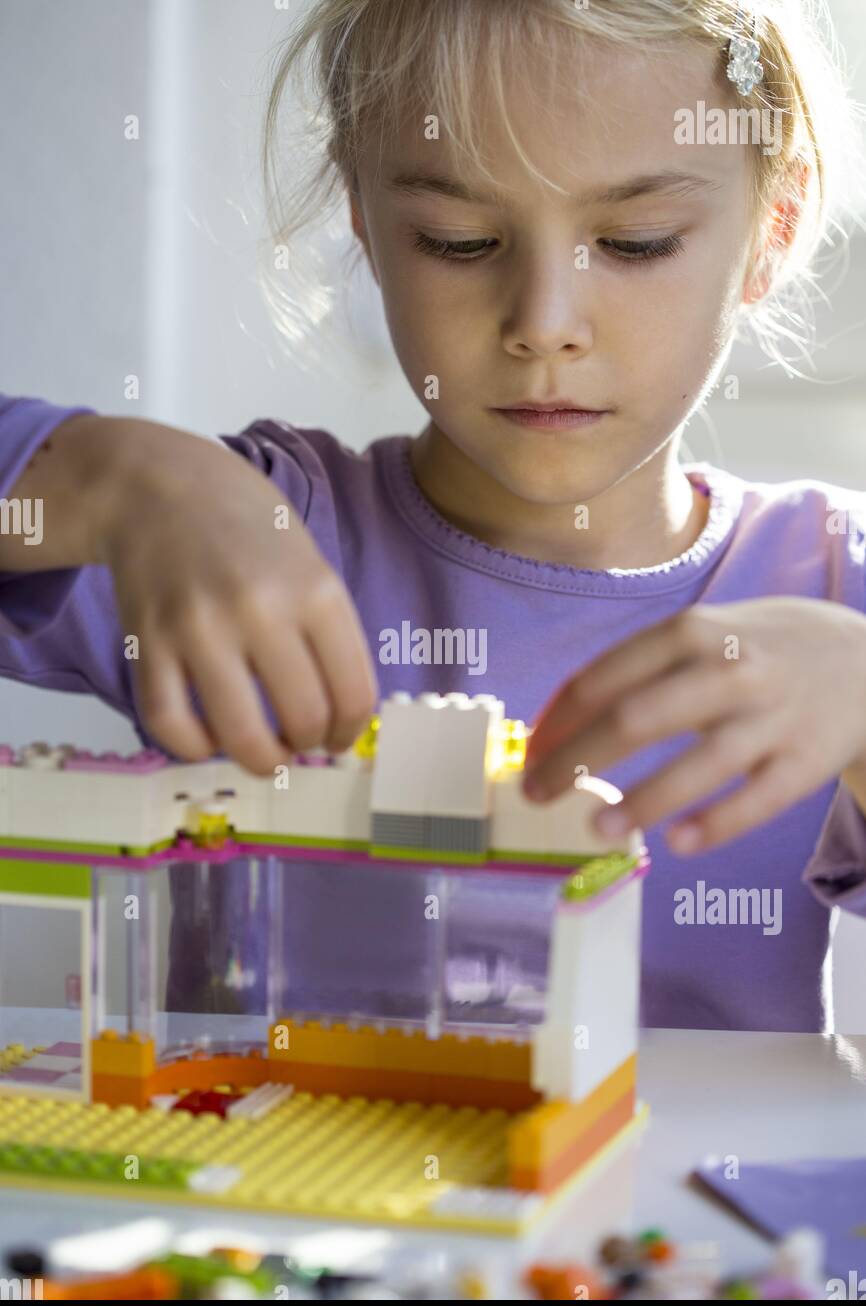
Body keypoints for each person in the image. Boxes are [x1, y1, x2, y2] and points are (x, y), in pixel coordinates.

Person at [2, 0, 865, 1030]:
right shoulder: (247, 535)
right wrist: (110, 478)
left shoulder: (831, 585)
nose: (542, 323)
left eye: (634, 242)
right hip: (262, 1187)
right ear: (367, 225)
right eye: (458, 242)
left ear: (768, 229)